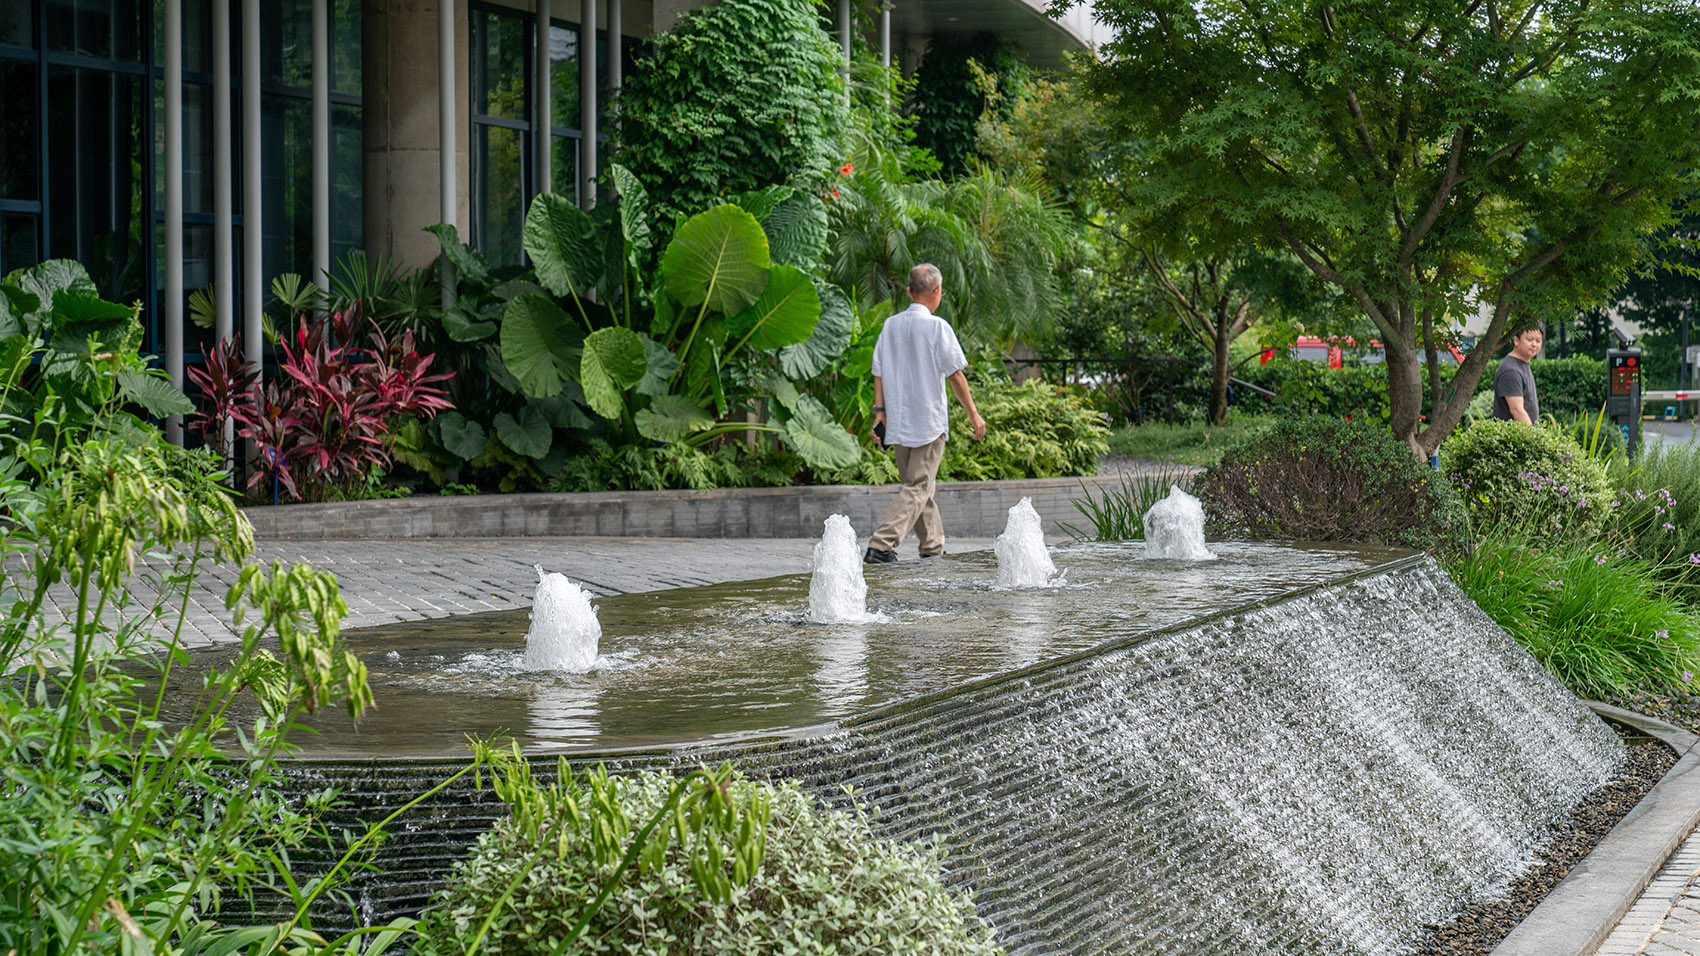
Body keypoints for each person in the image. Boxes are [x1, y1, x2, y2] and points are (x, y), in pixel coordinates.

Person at [863, 264, 987, 564]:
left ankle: (932, 548)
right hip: (928, 422)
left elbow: (877, 372)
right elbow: (955, 375)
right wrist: (973, 414)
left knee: (918, 488)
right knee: (918, 487)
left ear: (908, 291)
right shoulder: (937, 327)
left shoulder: (890, 325)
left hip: (899, 423)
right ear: (937, 291)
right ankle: (880, 545)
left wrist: (880, 414)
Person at [1492, 324, 1543, 424]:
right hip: (1514, 438)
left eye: (1538, 341)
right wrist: (1534, 437)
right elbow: (1517, 410)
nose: (1534, 344)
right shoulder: (1511, 370)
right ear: (1516, 341)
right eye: (1529, 339)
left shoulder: (1522, 364)